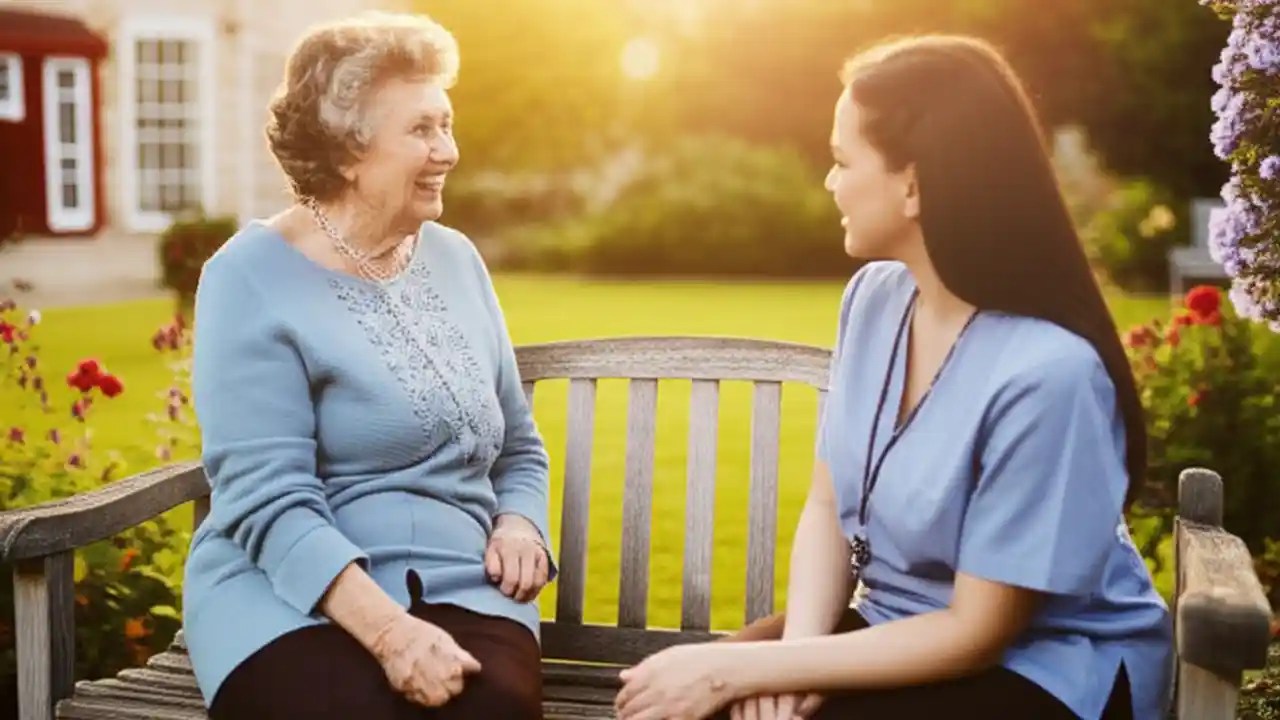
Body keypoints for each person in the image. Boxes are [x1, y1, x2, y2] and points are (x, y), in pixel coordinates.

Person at [614, 35, 1173, 720]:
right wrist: (791, 663)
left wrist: (751, 666)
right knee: (665, 703)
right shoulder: (875, 298)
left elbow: (978, 631)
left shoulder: (1050, 374)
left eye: (843, 161)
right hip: (891, 627)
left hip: (1046, 667)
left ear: (914, 184)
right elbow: (827, 506)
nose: (829, 182)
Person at [182, 12, 556, 720]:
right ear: (347, 150)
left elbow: (519, 447)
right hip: (288, 600)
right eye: (421, 129)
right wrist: (390, 633)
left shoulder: (457, 259)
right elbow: (267, 500)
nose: (448, 149)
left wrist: (519, 526)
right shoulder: (248, 277)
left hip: (464, 585)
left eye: (446, 123)